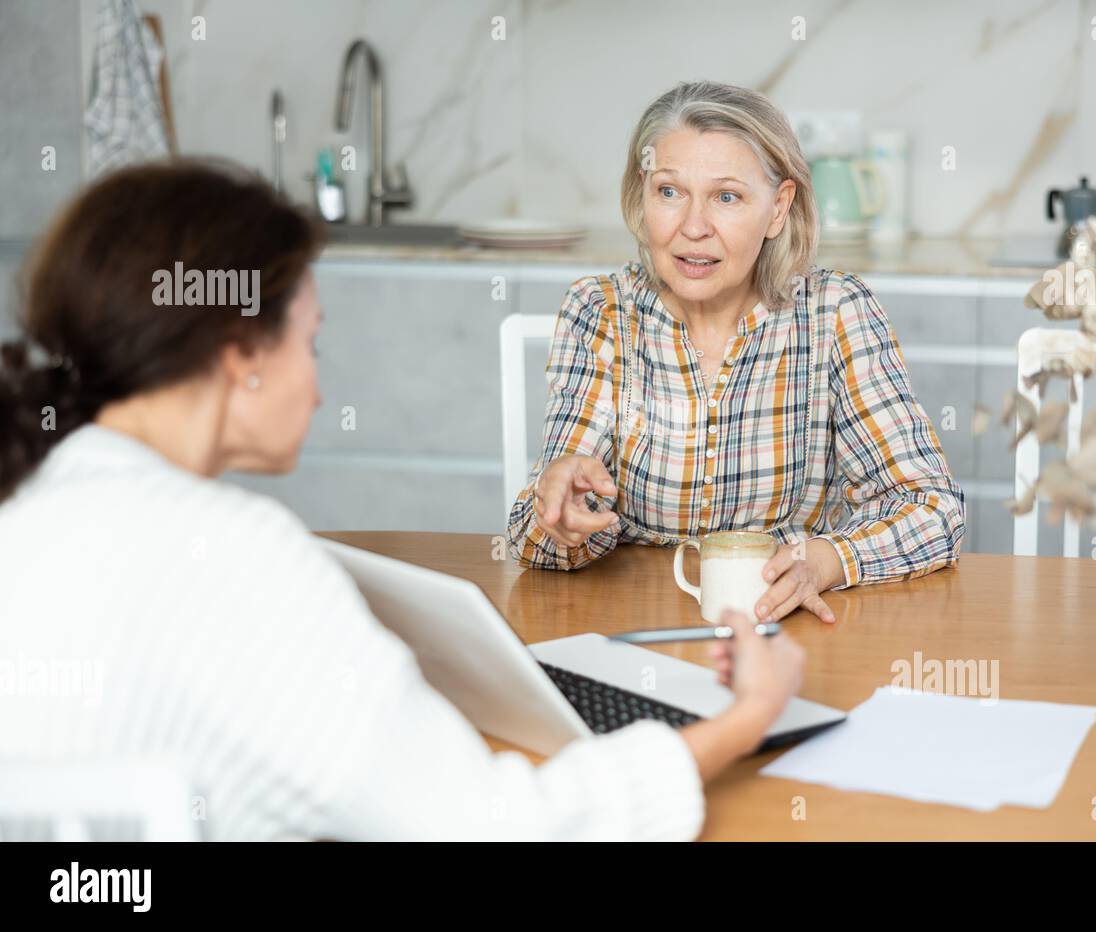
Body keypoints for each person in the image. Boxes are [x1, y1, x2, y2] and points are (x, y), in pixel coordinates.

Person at [0, 159, 804, 841]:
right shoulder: (239, 558)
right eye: (308, 344)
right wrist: (744, 720)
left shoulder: (32, 503)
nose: (319, 390)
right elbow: (492, 830)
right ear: (240, 354)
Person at [508, 82, 965, 624]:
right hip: (631, 629)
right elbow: (534, 538)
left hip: (789, 636)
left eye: (727, 197)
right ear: (642, 196)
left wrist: (827, 560)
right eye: (670, 192)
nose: (693, 227)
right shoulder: (601, 312)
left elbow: (935, 512)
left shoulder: (834, 311)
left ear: (778, 209)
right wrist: (559, 513)